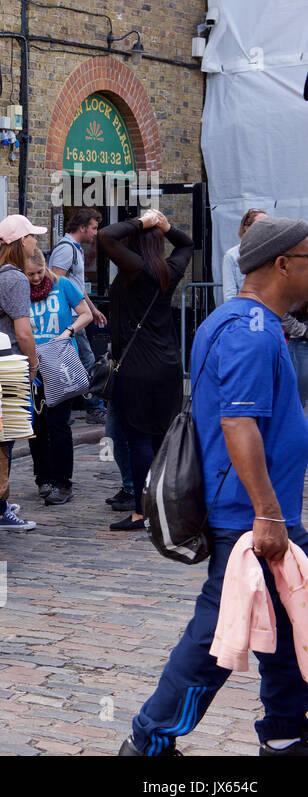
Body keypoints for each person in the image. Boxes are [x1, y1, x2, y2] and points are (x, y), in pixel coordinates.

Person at [122, 217, 308, 756]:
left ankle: (285, 732)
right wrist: (269, 514)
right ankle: (149, 742)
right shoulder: (252, 331)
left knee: (288, 620)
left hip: (256, 513)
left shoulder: (232, 320)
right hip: (250, 517)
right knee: (215, 638)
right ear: (282, 265)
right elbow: (238, 423)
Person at [97, 208, 194, 531]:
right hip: (168, 366)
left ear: (136, 243)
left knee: (138, 440)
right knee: (159, 441)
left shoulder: (135, 269)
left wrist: (143, 222)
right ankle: (162, 507)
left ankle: (142, 511)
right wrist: (166, 227)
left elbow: (107, 235)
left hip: (137, 366)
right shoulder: (169, 270)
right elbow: (187, 245)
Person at [0, 213, 43, 531]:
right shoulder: (15, 279)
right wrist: (33, 364)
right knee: (9, 438)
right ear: (19, 242)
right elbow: (24, 333)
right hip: (10, 363)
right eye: (31, 236)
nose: (35, 241)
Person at [24, 248, 92, 506]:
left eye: (39, 272)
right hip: (34, 364)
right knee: (36, 424)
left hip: (61, 362)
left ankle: (63, 482)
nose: (35, 278)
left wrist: (68, 331)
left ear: (46, 267)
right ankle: (43, 478)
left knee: (59, 424)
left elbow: (85, 313)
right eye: (30, 274)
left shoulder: (62, 285)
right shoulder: (21, 290)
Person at [50, 208, 108, 422]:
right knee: (86, 360)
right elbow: (57, 283)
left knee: (76, 362)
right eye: (93, 228)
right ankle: (94, 407)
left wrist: (92, 309)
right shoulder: (66, 250)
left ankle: (66, 410)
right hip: (70, 318)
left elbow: (77, 287)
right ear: (82, 227)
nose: (95, 233)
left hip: (77, 316)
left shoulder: (75, 249)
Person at [221, 208, 268, 302]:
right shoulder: (232, 255)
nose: (265, 228)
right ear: (247, 228)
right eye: (261, 224)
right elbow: (229, 294)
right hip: (244, 309)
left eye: (268, 224)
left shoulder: (272, 252)